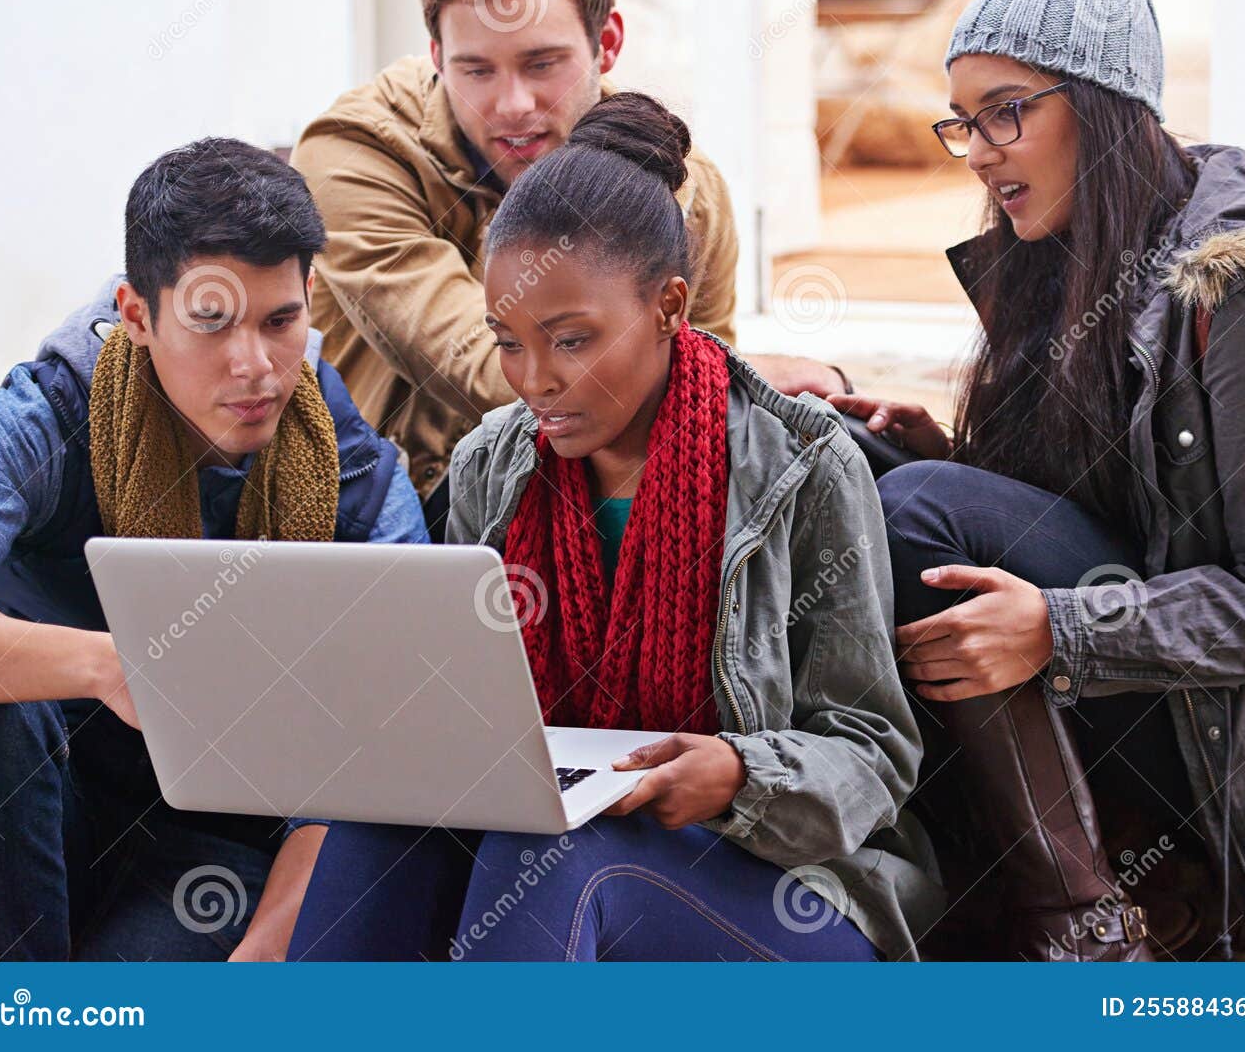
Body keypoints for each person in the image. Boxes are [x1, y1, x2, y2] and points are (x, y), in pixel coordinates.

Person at [833, 0, 1245, 960]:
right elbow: (1111, 509)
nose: (980, 150)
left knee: (923, 518)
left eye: (1006, 113)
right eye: (964, 122)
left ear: (1104, 108)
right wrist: (935, 442)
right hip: (1165, 676)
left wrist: (1060, 633)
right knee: (871, 474)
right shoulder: (1066, 254)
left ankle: (1083, 932)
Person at [288, 93, 941, 962]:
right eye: (508, 342)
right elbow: (467, 710)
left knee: (556, 849)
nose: (534, 380)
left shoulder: (803, 465)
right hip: (562, 853)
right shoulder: (493, 465)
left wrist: (740, 776)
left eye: (571, 340)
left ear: (670, 307)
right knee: (378, 831)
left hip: (793, 889)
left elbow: (874, 752)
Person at [0, 139, 429, 961]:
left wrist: (267, 955)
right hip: (35, 814)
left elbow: (384, 733)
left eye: (280, 322)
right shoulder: (51, 417)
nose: (255, 367)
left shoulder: (353, 469)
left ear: (311, 299)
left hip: (211, 855)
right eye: (211, 323)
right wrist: (116, 665)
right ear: (136, 313)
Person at [293, 0, 848, 538]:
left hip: (613, 485)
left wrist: (789, 391)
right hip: (409, 505)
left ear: (607, 43)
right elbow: (483, 366)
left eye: (542, 63)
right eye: (475, 69)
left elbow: (704, 401)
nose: (512, 104)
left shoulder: (684, 187)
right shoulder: (354, 154)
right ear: (438, 57)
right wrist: (734, 381)